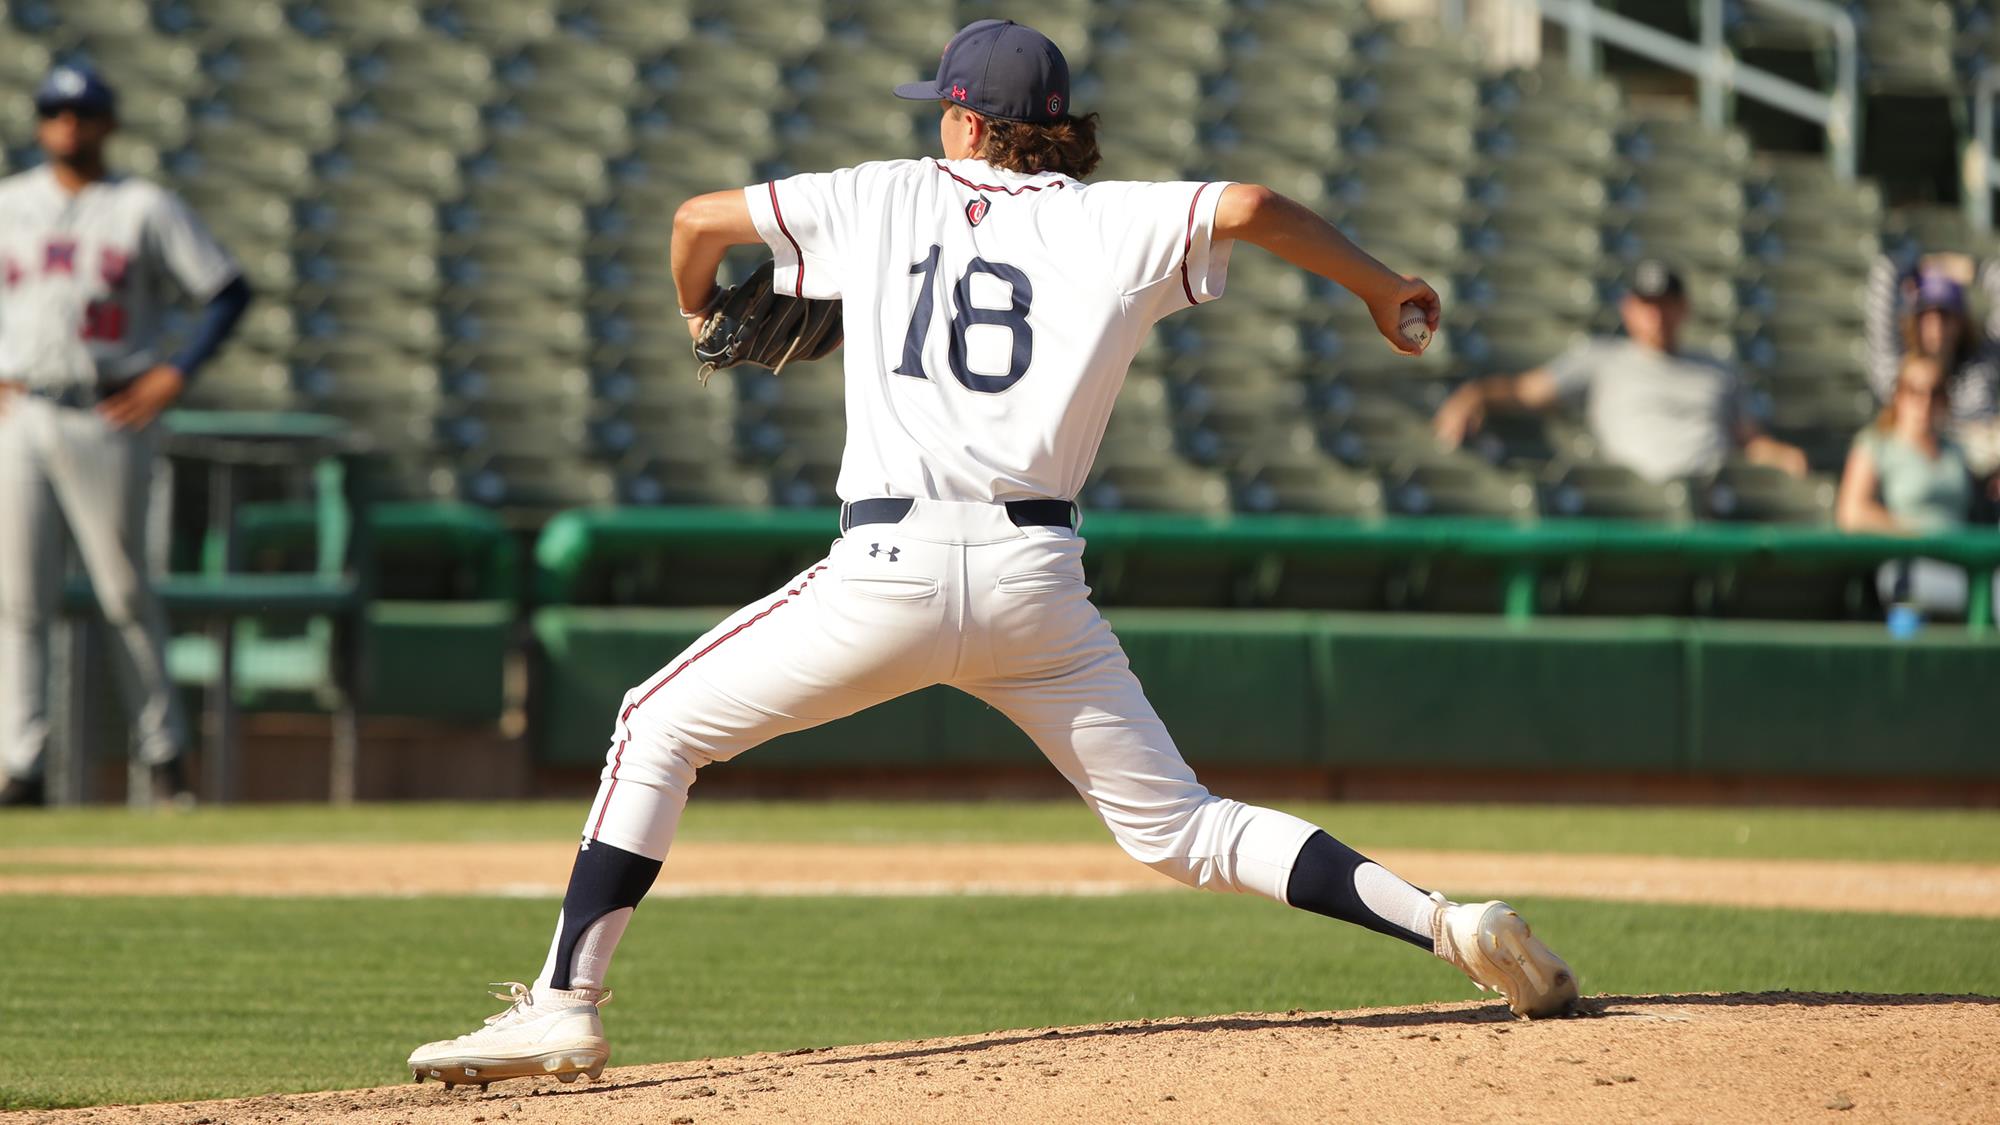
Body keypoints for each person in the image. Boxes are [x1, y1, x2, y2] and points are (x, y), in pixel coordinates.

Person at [407, 18, 1579, 1090]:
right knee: (1181, 828)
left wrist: (696, 309)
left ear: (966, 121)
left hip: (889, 570)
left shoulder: (881, 196)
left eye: (942, 106)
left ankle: (565, 1004)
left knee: (653, 727)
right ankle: (1447, 924)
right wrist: (1381, 288)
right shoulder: (1107, 218)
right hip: (1035, 589)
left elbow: (691, 224)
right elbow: (1248, 204)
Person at [0, 66, 252, 808]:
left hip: (108, 411)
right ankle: (22, 763)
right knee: (17, 598)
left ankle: (165, 755)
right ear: (41, 122)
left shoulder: (143, 206)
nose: (68, 124)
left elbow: (226, 290)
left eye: (83, 112)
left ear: (108, 122)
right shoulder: (10, 202)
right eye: (56, 111)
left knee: (122, 591)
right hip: (23, 411)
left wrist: (176, 372)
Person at [1433, 260, 1808, 484]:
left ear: (1683, 309)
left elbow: (1750, 439)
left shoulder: (1718, 369)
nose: (1656, 316)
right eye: (1647, 305)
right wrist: (1474, 395)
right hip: (1639, 502)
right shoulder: (1602, 359)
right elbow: (1529, 390)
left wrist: (1783, 456)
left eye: (1666, 304)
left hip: (1717, 495)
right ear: (1629, 309)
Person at [1837, 355, 1992, 615]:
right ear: (1898, 395)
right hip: (1908, 569)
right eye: (1914, 390)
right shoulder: (1876, 443)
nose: (1925, 402)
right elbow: (1852, 513)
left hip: (1965, 562)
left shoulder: (1956, 451)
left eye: (1935, 392)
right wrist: (1917, 537)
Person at [1865, 253, 2000, 474]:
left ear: (1961, 322)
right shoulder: (1896, 372)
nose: (1936, 325)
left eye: (1945, 315)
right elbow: (1883, 272)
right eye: (1926, 315)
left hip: (1980, 487)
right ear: (1913, 321)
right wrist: (1919, 265)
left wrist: (1974, 270)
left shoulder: (1979, 367)